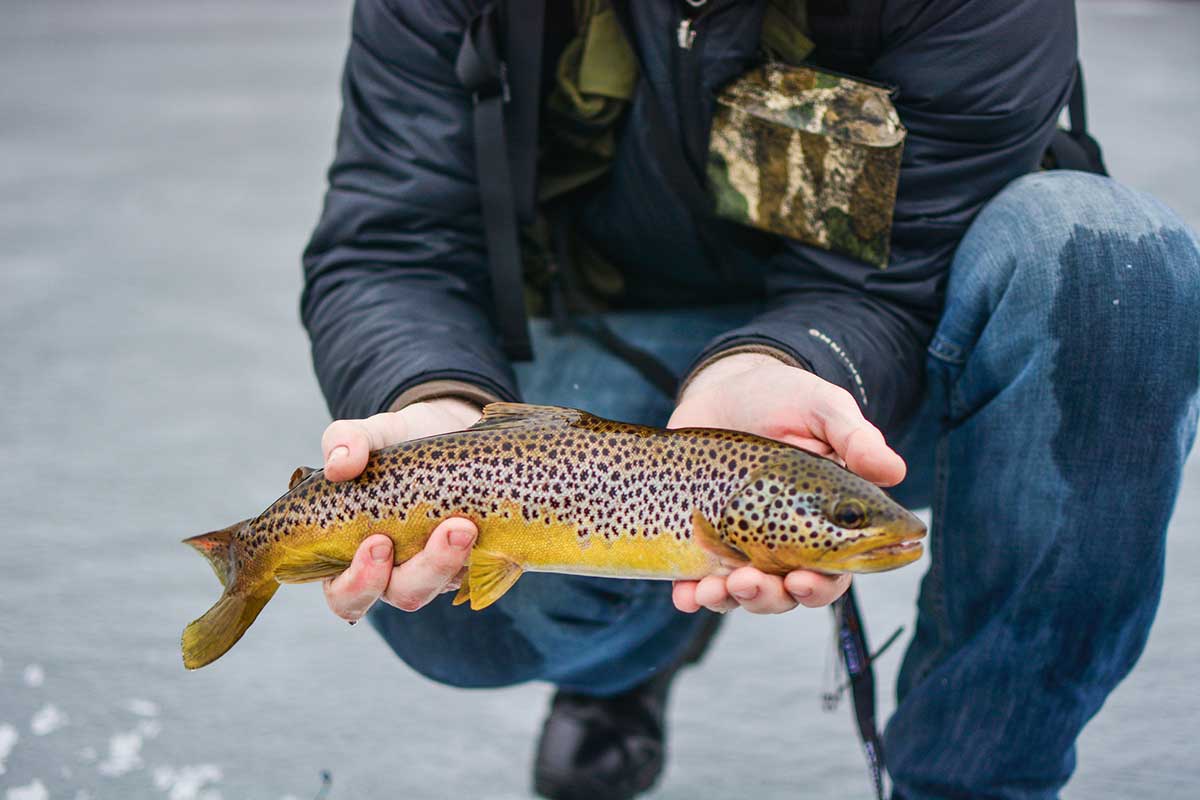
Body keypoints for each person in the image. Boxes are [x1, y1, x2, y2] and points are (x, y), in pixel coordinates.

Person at [299, 1, 1200, 798]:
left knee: (1113, 258)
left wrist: (788, 362)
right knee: (462, 621)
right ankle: (634, 651)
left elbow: (896, 272)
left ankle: (977, 782)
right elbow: (391, 243)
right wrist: (435, 399)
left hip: (876, 355)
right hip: (600, 359)